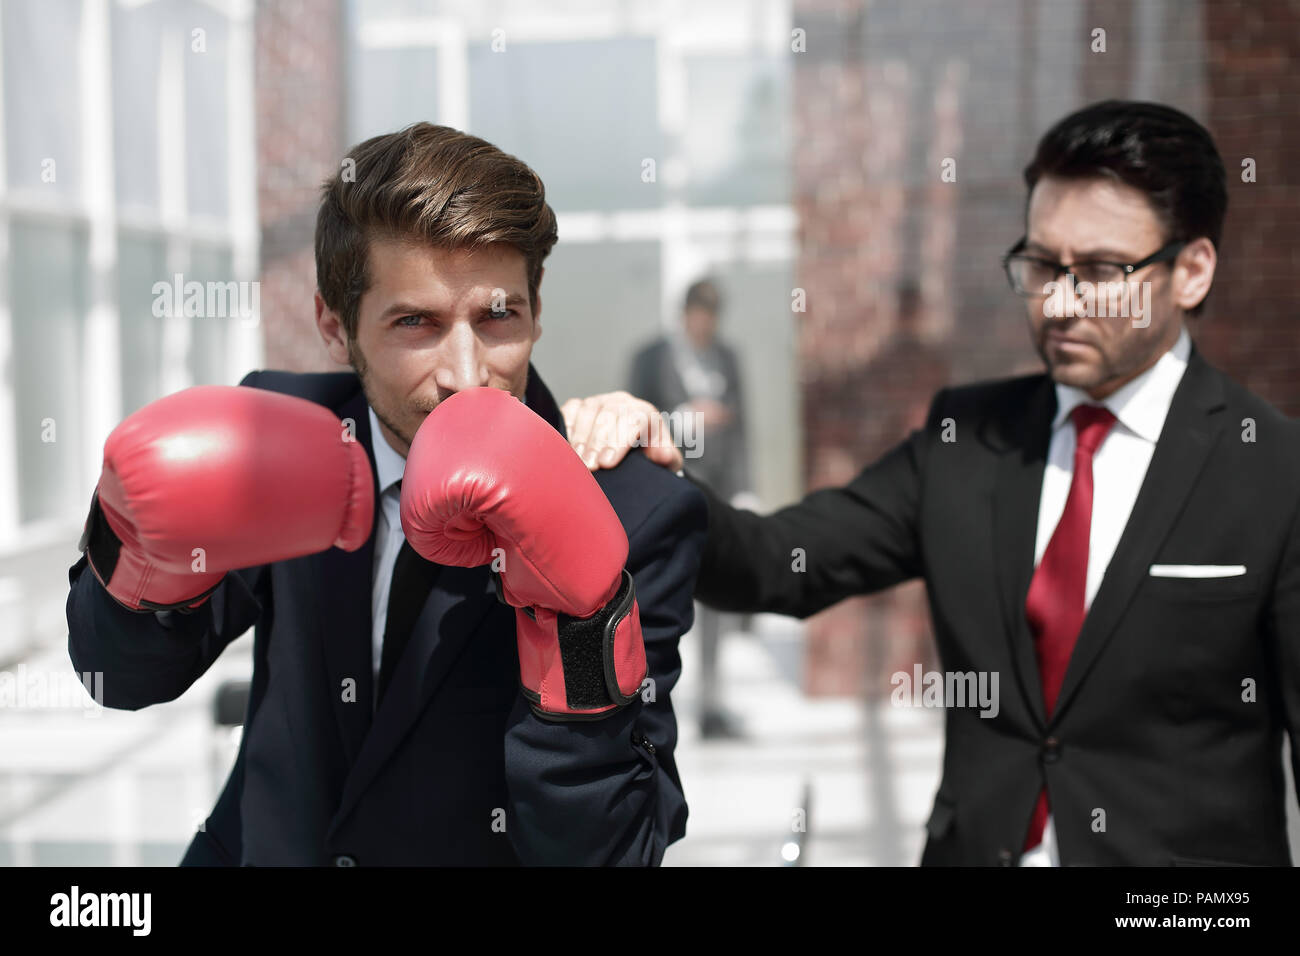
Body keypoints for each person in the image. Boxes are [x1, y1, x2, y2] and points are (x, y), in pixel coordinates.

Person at [563, 100, 1300, 866]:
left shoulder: (1277, 474)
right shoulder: (969, 439)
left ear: (1192, 270)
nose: (1058, 301)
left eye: (1102, 271)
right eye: (1043, 265)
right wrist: (657, 464)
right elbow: (778, 560)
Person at [65, 122, 707, 866]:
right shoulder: (281, 438)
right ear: (335, 328)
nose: (466, 374)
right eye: (417, 324)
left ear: (535, 311)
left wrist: (579, 638)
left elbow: (612, 852)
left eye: (498, 316)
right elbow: (121, 678)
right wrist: (130, 545)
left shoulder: (632, 511)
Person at [628, 278, 754, 738]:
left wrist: (745, 492)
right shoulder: (650, 359)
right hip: (664, 495)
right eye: (700, 316)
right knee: (657, 598)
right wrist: (686, 419)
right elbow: (634, 425)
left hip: (715, 498)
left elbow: (743, 431)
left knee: (717, 602)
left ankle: (712, 705)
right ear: (685, 315)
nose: (706, 326)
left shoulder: (729, 358)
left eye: (713, 318)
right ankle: (644, 701)